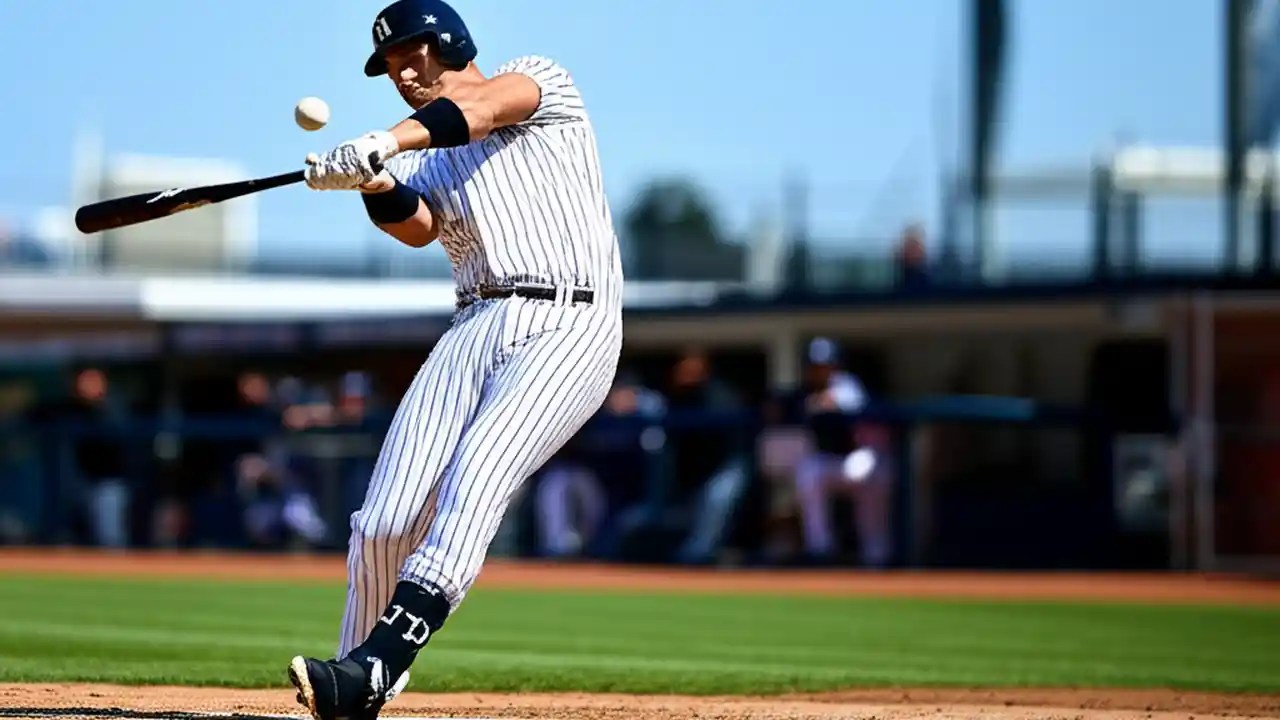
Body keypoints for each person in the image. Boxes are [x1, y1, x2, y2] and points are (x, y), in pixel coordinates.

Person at [286, 1, 624, 718]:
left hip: (570, 317)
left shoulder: (537, 81)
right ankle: (352, 684)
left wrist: (381, 141)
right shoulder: (429, 152)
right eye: (391, 65)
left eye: (414, 52)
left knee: (476, 477)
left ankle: (378, 665)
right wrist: (375, 182)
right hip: (475, 320)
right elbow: (421, 228)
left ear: (451, 40)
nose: (404, 72)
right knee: (382, 523)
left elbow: (478, 108)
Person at [791, 338, 893, 567]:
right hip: (831, 462)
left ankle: (876, 554)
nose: (821, 370)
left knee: (871, 473)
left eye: (826, 365)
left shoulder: (848, 385)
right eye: (815, 366)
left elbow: (840, 403)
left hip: (861, 457)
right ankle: (820, 549)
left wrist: (821, 403)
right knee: (809, 472)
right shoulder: (804, 390)